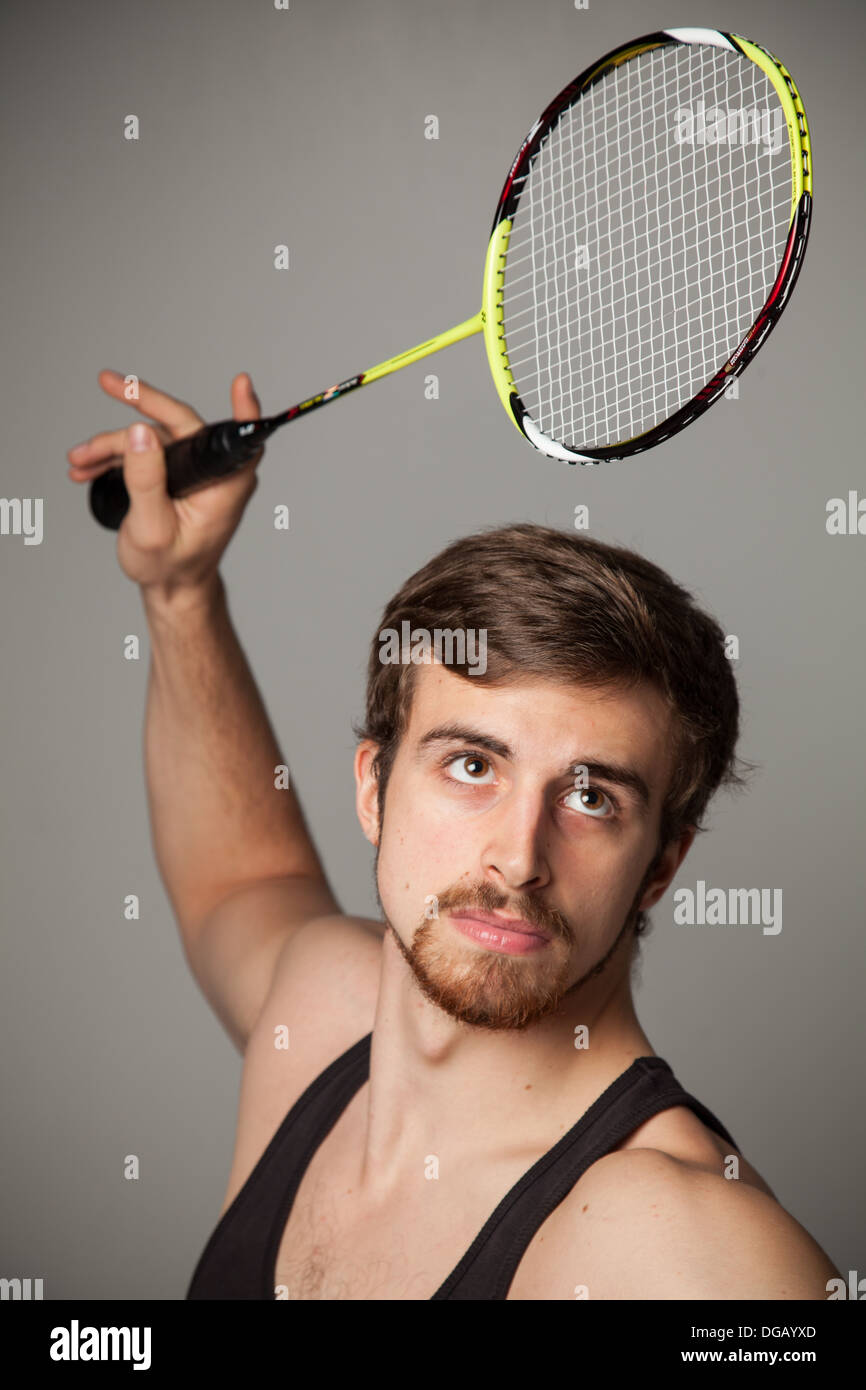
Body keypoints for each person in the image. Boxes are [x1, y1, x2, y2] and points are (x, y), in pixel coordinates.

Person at [67, 370, 840, 1301]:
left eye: (592, 799)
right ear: (375, 790)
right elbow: (239, 879)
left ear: (661, 867)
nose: (518, 857)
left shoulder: (688, 1255)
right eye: (473, 766)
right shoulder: (320, 1020)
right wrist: (180, 595)